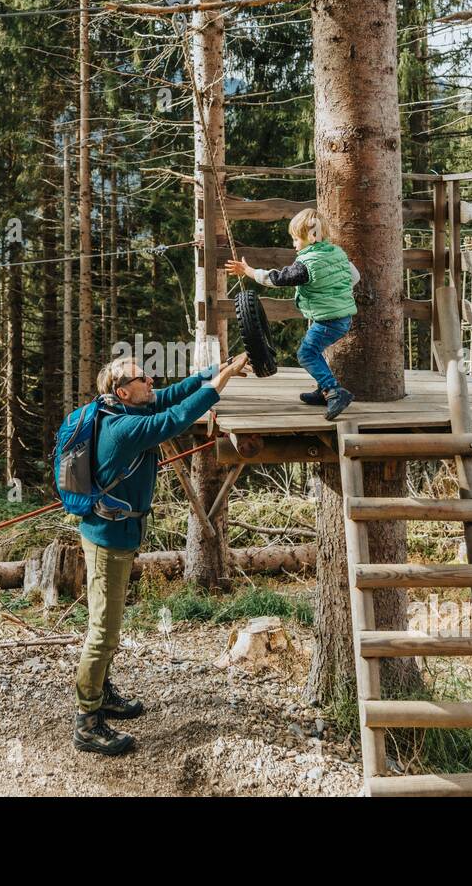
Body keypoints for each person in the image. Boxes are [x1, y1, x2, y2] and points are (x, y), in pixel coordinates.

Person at [72, 351, 251, 755]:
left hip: (117, 534)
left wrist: (214, 371)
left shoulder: (124, 408)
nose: (151, 380)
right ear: (123, 391)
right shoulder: (123, 429)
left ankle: (102, 692)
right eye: (142, 377)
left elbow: (172, 395)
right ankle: (87, 721)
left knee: (108, 627)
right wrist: (218, 385)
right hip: (107, 540)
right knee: (103, 633)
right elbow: (175, 418)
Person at [224, 207, 359, 420]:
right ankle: (323, 389)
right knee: (316, 350)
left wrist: (248, 272)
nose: (294, 244)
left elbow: (277, 279)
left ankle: (334, 391)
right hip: (342, 317)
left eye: (296, 239)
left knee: (306, 354)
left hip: (329, 321)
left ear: (312, 237)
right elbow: (355, 276)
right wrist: (334, 293)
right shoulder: (338, 253)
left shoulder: (306, 264)